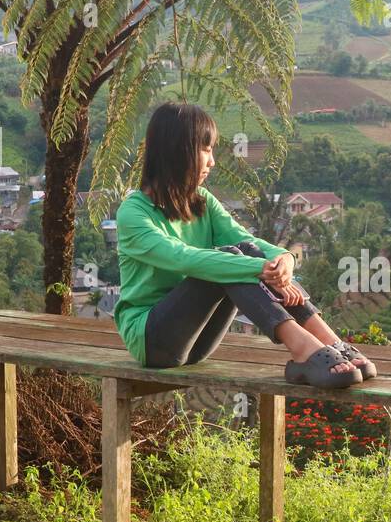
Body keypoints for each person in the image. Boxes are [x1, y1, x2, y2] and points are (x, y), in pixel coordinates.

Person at [112, 102, 376, 389]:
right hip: (153, 341)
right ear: (177, 150)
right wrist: (260, 268)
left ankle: (328, 340)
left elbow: (246, 241)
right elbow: (183, 259)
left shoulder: (202, 202)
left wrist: (283, 260)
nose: (212, 161)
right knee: (227, 260)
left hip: (198, 343)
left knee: (243, 251)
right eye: (206, 149)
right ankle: (304, 349)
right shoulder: (134, 213)